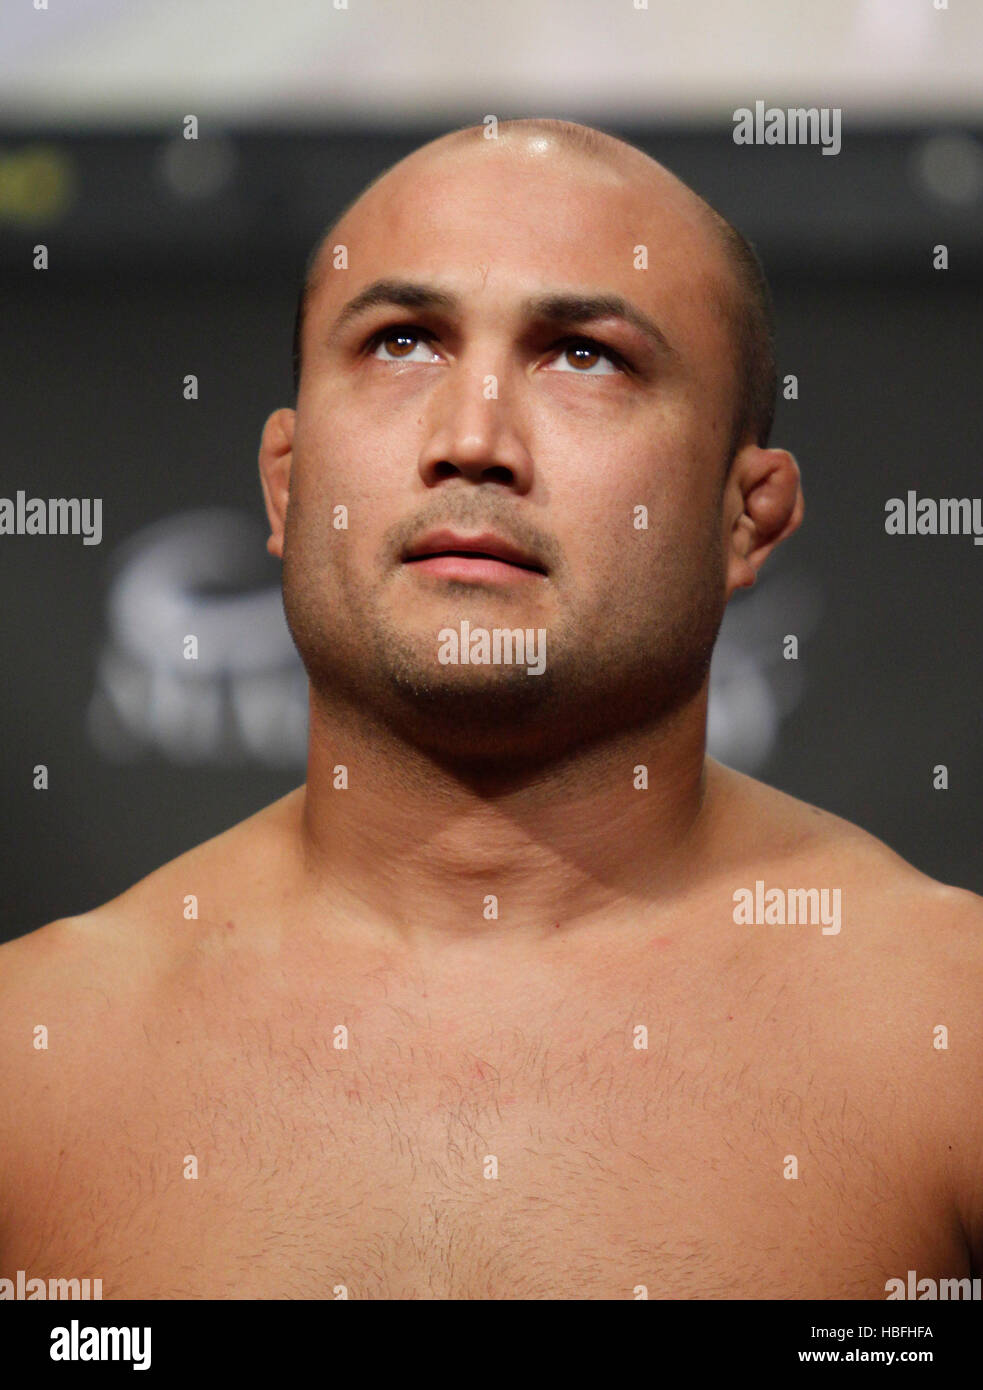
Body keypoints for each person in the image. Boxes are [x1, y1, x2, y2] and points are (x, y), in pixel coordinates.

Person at [1, 118, 980, 1301]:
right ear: (286, 478)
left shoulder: (946, 1040)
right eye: (403, 341)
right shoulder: (37, 1059)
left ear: (748, 514)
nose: (472, 441)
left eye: (584, 357)